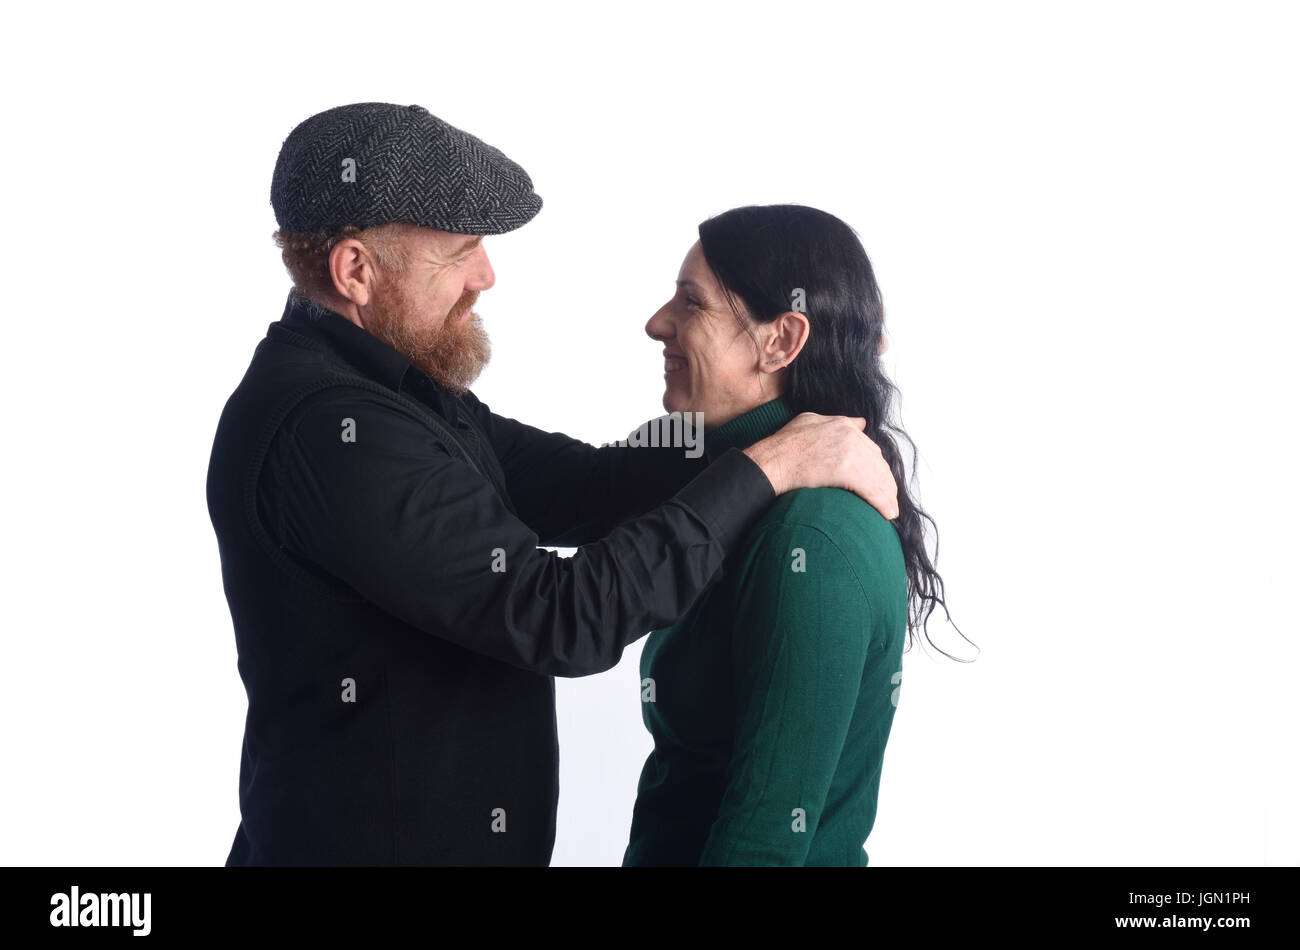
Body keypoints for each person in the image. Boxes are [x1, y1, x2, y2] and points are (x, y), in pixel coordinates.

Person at [206, 103, 901, 866]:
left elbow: (593, 480)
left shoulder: (404, 392)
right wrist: (769, 466)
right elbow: (556, 614)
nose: (486, 275)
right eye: (460, 251)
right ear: (355, 271)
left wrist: (757, 434)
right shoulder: (332, 431)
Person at [623, 205, 966, 866]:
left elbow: (761, 843)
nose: (657, 323)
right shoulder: (729, 489)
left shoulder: (811, 539)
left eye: (691, 304)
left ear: (781, 340)